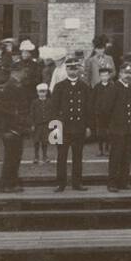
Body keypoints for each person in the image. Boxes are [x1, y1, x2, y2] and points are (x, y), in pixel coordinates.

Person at [96, 63, 131, 191]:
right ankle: (112, 183)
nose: (127, 76)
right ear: (120, 74)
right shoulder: (114, 88)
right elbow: (105, 109)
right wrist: (109, 126)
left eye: (130, 73)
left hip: (128, 128)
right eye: (125, 73)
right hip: (117, 128)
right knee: (116, 156)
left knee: (126, 156)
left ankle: (124, 182)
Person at [52, 57, 91, 191]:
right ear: (66, 69)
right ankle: (60, 183)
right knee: (61, 156)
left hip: (79, 127)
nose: (72, 71)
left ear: (79, 69)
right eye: (70, 68)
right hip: (63, 128)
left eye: (75, 68)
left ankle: (77, 183)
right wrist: (54, 131)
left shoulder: (85, 87)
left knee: (78, 156)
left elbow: (88, 109)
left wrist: (88, 127)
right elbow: (54, 109)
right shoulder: (59, 87)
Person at [0, 63, 34, 192]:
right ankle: (6, 185)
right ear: (16, 72)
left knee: (15, 157)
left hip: (15, 128)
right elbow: (2, 108)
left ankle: (12, 183)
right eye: (23, 71)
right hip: (11, 128)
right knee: (11, 158)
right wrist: (13, 123)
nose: (25, 74)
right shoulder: (10, 87)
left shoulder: (14, 86)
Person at [29, 81, 53, 162]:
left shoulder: (50, 102)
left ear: (46, 92)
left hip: (46, 124)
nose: (42, 93)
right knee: (36, 141)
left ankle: (45, 156)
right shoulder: (34, 102)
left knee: (45, 141)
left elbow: (51, 113)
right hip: (37, 124)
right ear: (37, 92)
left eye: (44, 91)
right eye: (40, 92)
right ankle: (36, 156)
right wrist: (32, 124)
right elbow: (32, 113)